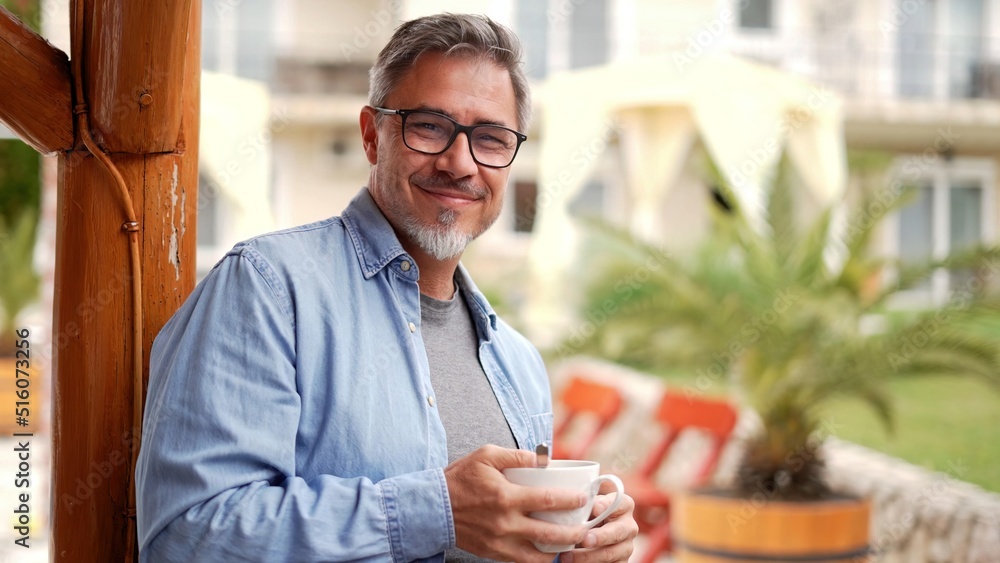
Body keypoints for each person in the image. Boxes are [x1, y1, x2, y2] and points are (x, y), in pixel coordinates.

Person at [136, 13, 637, 563]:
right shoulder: (266, 291)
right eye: (429, 126)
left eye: (491, 138)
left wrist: (581, 545)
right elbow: (189, 535)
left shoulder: (520, 364)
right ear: (373, 136)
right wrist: (434, 513)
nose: (459, 163)